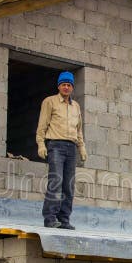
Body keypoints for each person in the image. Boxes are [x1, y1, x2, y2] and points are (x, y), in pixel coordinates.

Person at [36, 71, 87, 229]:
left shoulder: (76, 106)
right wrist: (41, 144)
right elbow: (42, 125)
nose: (66, 87)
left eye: (69, 85)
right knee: (56, 182)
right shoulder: (50, 102)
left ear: (72, 87)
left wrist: (82, 147)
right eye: (63, 84)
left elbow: (79, 130)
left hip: (71, 148)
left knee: (68, 185)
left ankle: (64, 219)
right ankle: (50, 219)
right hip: (56, 145)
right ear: (59, 86)